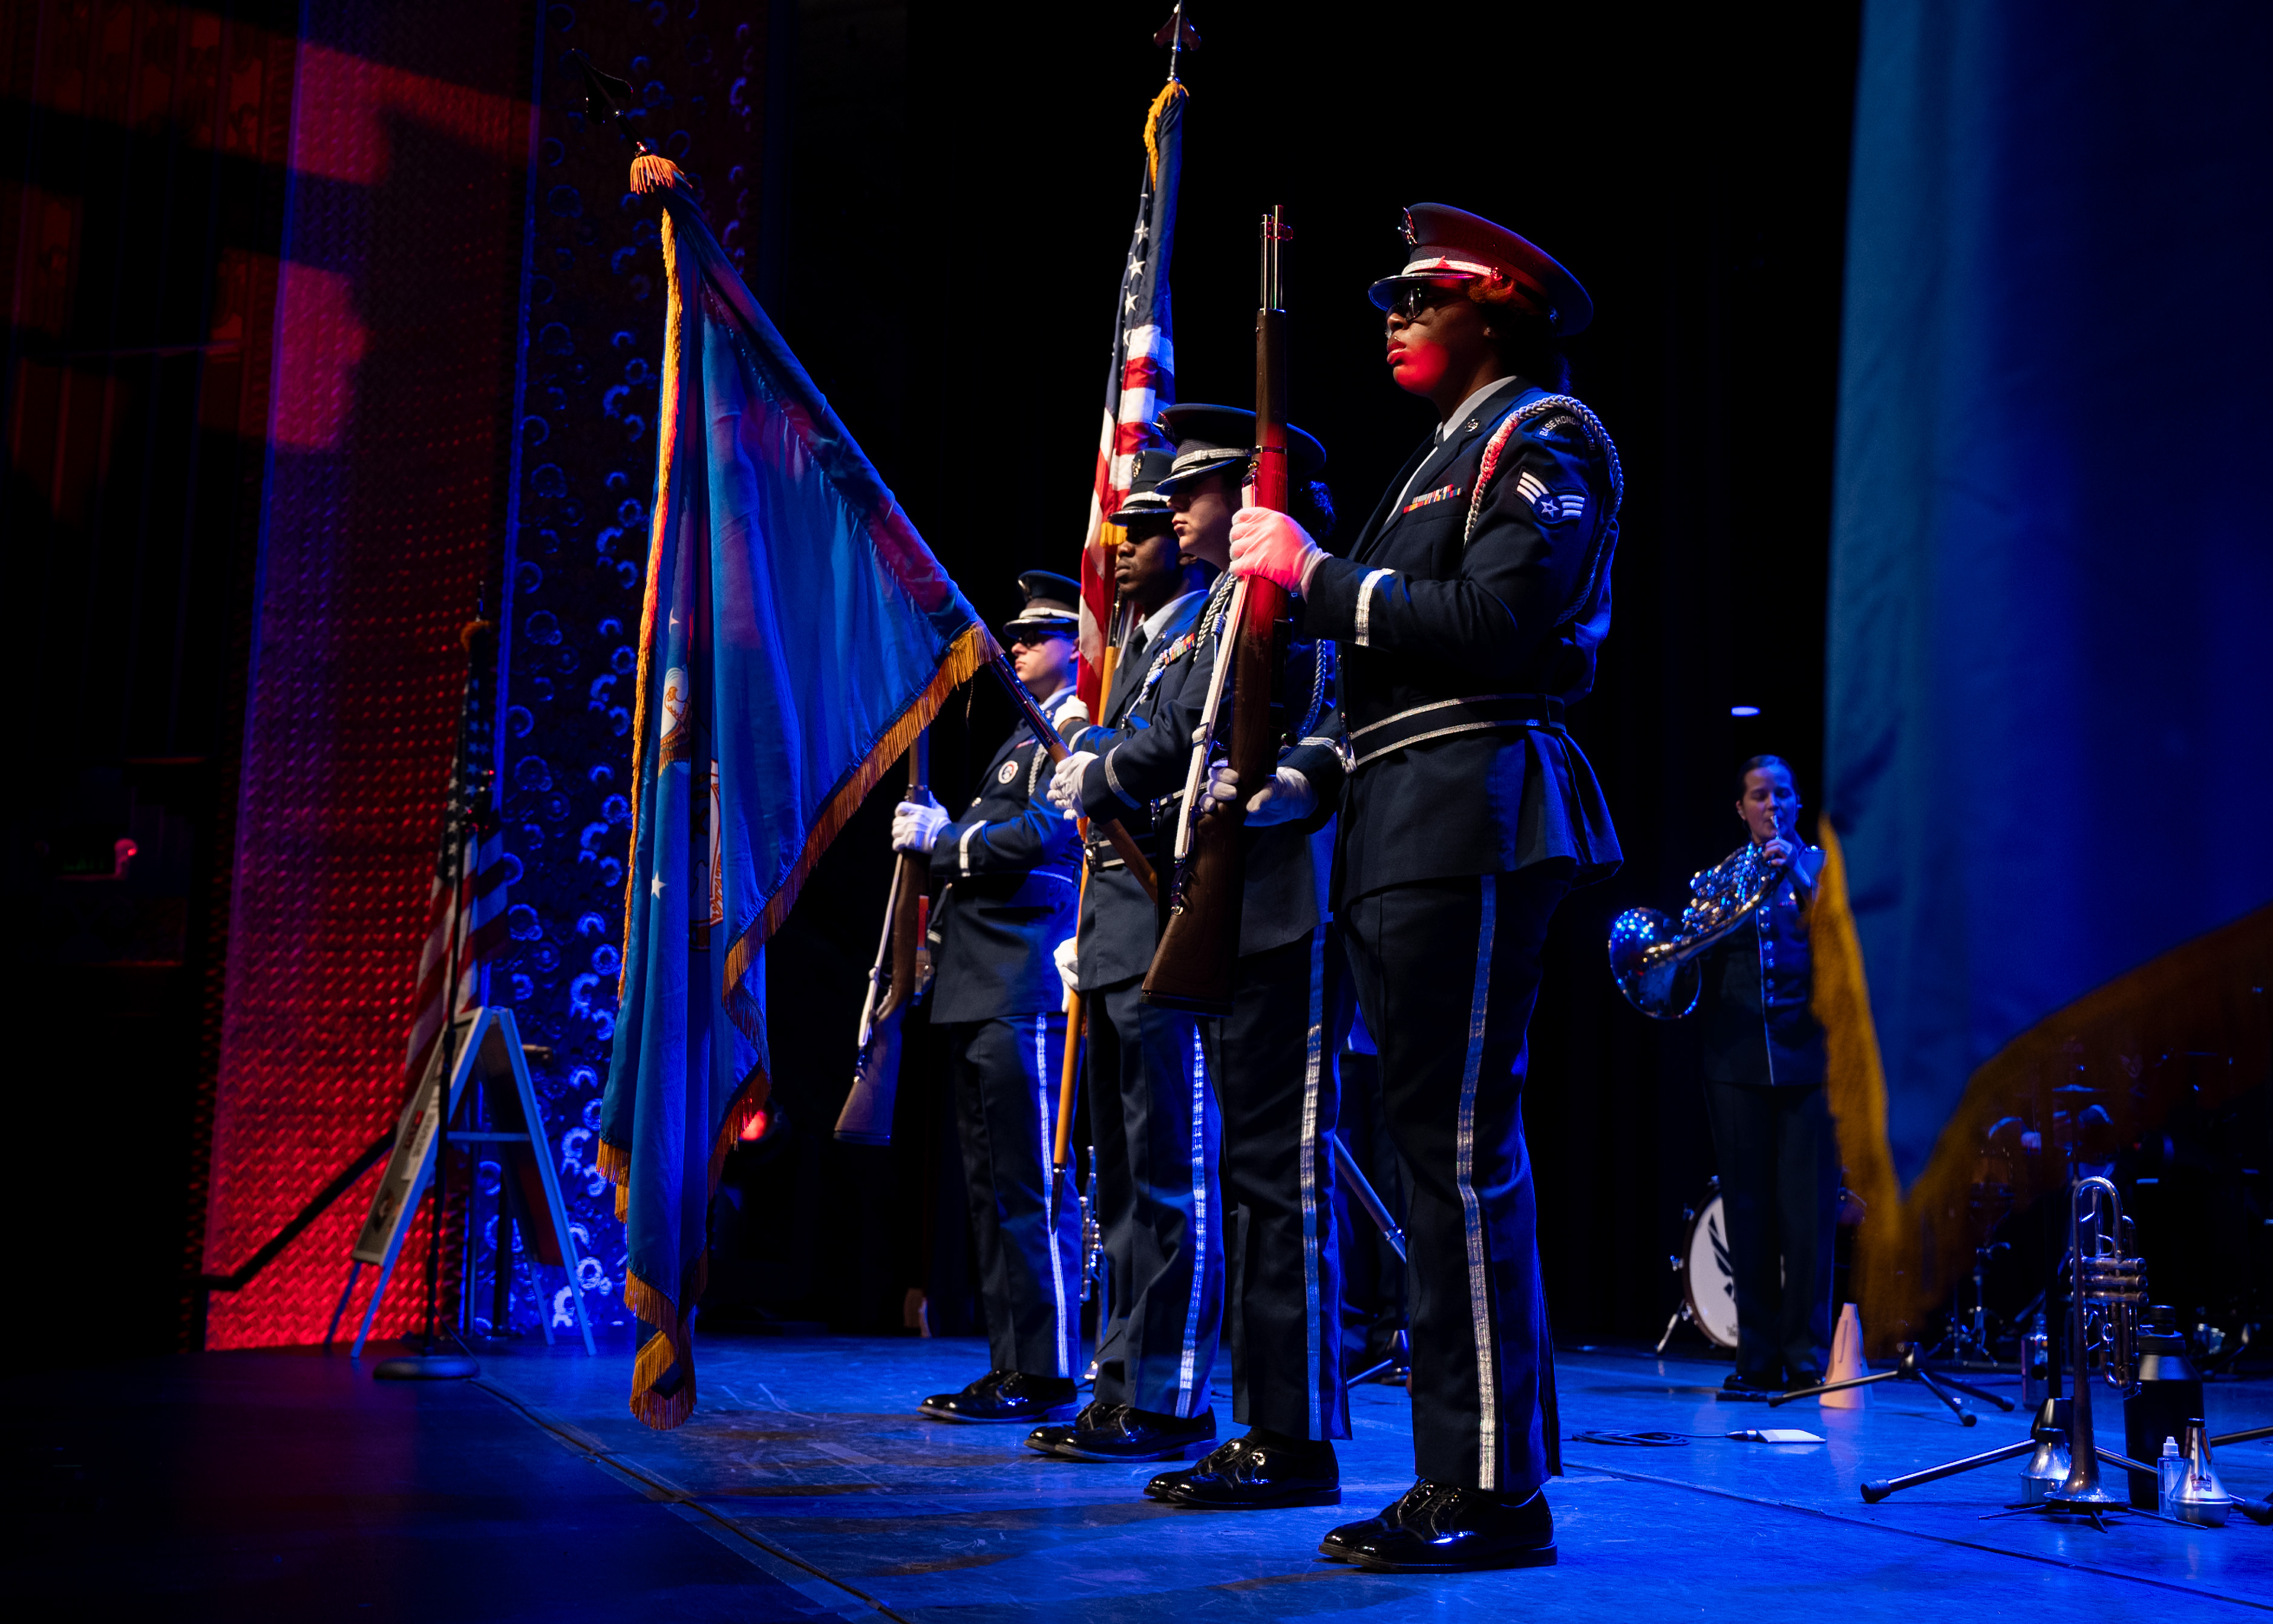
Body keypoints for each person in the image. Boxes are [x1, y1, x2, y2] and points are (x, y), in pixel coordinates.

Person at [1228, 203, 1623, 1572]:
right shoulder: (1431, 464)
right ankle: (1466, 1467)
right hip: (1401, 813)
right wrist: (1296, 776)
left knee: (1454, 1151)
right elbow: (1385, 667)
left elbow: (1500, 624)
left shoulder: (1542, 440)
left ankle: (1492, 1488)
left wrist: (1314, 573)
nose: (1391, 315)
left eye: (1417, 296)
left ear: (1494, 311)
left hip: (1475, 806)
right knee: (1427, 1150)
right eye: (1388, 298)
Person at [1050, 406, 1353, 1510]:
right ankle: (1266, 1422)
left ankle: (1290, 1429)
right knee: (1240, 1174)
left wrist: (1290, 783)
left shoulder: (1294, 592)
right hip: (1218, 907)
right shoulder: (1222, 608)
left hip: (1284, 899)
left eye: (1202, 485)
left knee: (1281, 1179)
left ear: (1259, 486)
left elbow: (1329, 724)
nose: (1173, 505)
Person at [1025, 453, 1225, 1464]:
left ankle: (1172, 1393)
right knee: (1115, 1187)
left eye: (1143, 531)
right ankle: (1116, 1382)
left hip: (1164, 932)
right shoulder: (1142, 647)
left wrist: (1095, 749)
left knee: (1169, 1177)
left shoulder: (1198, 633)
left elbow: (1169, 752)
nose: (1125, 547)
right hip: (1109, 938)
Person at [900, 572, 1085, 1426]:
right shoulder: (1022, 736)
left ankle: (1046, 1370)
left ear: (1074, 646)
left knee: (1031, 1187)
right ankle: (1014, 1363)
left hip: (1025, 981)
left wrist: (951, 840)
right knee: (991, 1191)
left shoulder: (1072, 728)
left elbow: (1052, 833)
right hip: (980, 983)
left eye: (1033, 636)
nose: (1013, 648)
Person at [1696, 755, 1836, 1398]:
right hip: (1736, 1061)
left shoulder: (1824, 871)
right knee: (1747, 1213)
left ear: (1796, 801)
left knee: (1807, 1217)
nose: (1770, 803)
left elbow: (1844, 942)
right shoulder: (1722, 877)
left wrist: (1799, 877)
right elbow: (1690, 967)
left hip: (1812, 1061)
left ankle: (1805, 1357)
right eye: (1758, 794)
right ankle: (1755, 1357)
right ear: (1741, 808)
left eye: (1781, 792)